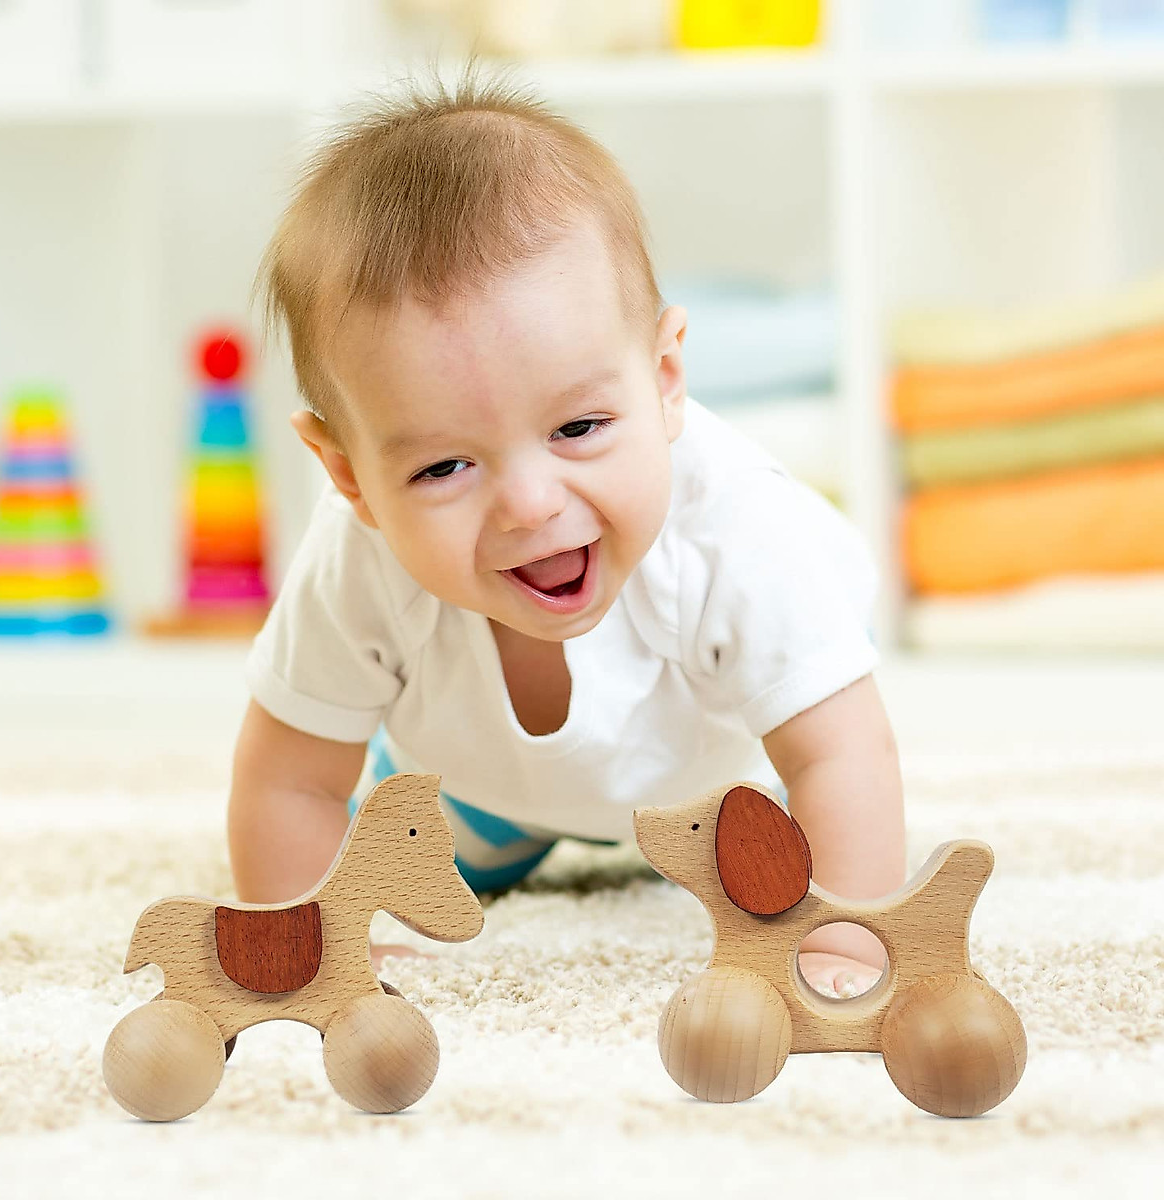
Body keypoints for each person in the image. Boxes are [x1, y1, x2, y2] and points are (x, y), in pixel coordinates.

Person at [227, 65, 906, 999]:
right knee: (396, 851)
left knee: (781, 865)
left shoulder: (738, 530)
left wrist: (844, 951)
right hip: (480, 785)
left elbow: (841, 751)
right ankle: (510, 827)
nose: (531, 505)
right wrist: (301, 951)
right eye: (443, 467)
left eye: (578, 427)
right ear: (349, 476)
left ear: (666, 380)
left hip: (729, 768)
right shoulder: (355, 565)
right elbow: (291, 781)